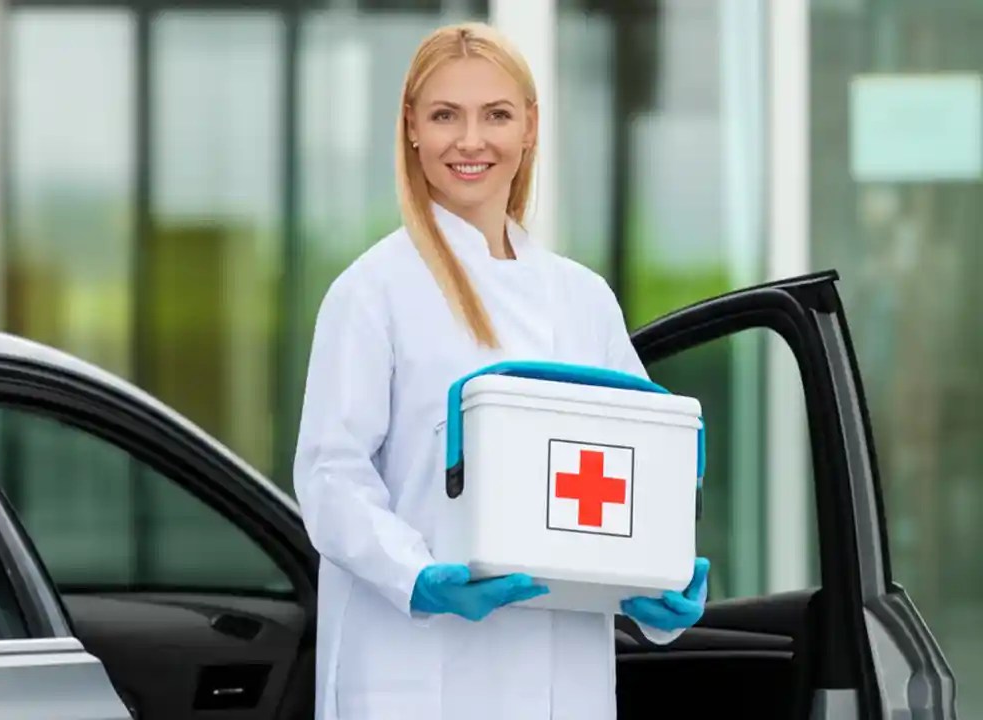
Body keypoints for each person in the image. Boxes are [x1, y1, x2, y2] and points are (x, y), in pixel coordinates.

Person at [292, 21, 710, 720]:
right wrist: (421, 577)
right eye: (445, 115)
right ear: (412, 130)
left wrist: (662, 583)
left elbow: (648, 465)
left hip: (560, 677)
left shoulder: (583, 299)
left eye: (496, 115)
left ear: (530, 128)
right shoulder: (372, 291)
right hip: (417, 673)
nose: (471, 141)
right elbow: (331, 475)